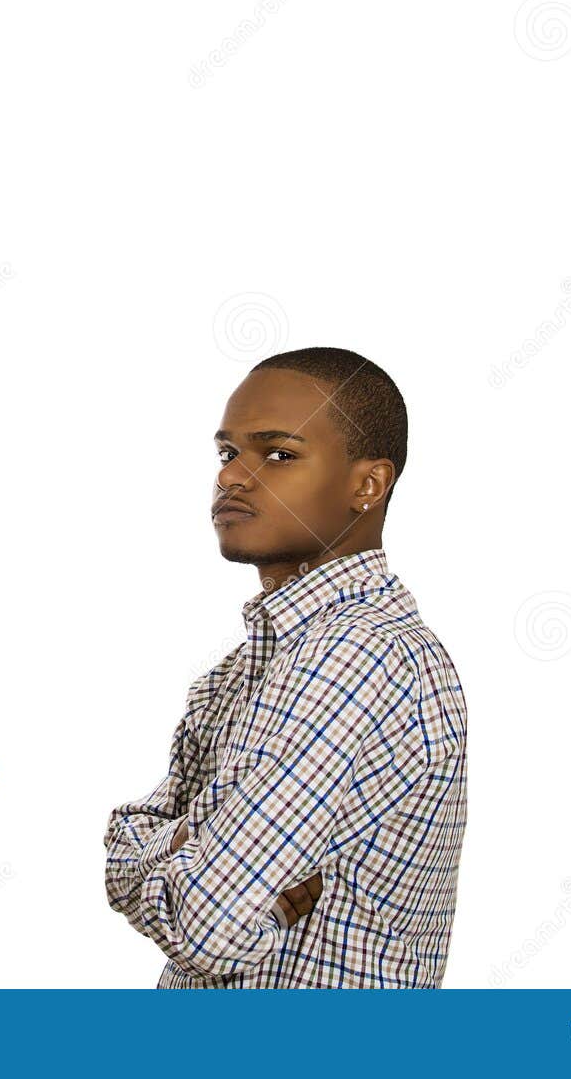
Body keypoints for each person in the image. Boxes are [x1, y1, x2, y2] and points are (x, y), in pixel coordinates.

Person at [103, 347, 467, 987]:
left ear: (367, 485)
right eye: (227, 453)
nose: (233, 479)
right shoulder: (241, 669)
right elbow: (125, 848)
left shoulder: (358, 655)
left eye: (278, 454)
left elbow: (204, 925)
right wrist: (186, 842)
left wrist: (175, 848)